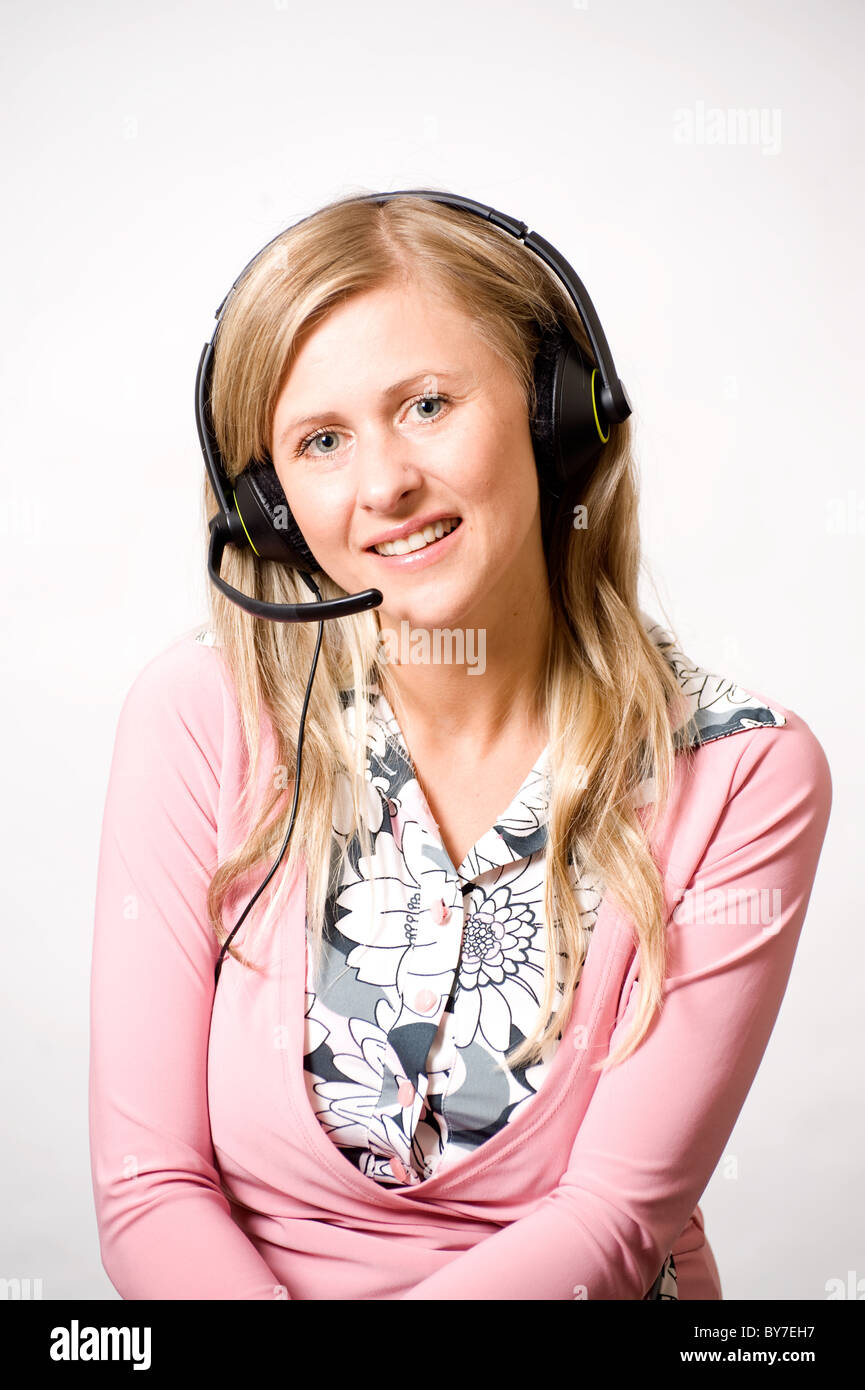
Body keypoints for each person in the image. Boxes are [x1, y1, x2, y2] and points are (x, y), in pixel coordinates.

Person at [89, 190, 832, 1301]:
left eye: (427, 404)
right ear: (271, 507)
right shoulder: (200, 715)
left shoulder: (740, 769)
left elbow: (614, 1222)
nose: (384, 483)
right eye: (323, 441)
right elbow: (151, 1187)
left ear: (554, 415)